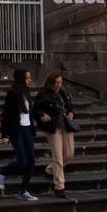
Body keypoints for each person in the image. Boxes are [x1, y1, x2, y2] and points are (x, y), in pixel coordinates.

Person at [0, 67, 38, 201]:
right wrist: (5, 135)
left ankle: (24, 191)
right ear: (21, 79)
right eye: (28, 78)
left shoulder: (27, 93)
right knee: (22, 161)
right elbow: (6, 116)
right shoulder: (12, 94)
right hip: (16, 130)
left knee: (31, 161)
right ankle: (1, 172)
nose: (30, 80)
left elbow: (29, 113)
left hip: (27, 129)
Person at [33, 70, 76, 199]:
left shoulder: (64, 93)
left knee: (69, 154)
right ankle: (59, 186)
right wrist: (42, 115)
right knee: (58, 156)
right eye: (56, 82)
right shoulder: (44, 95)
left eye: (60, 82)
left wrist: (71, 113)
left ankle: (50, 170)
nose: (58, 85)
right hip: (53, 127)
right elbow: (36, 109)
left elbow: (69, 107)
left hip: (66, 125)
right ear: (51, 83)